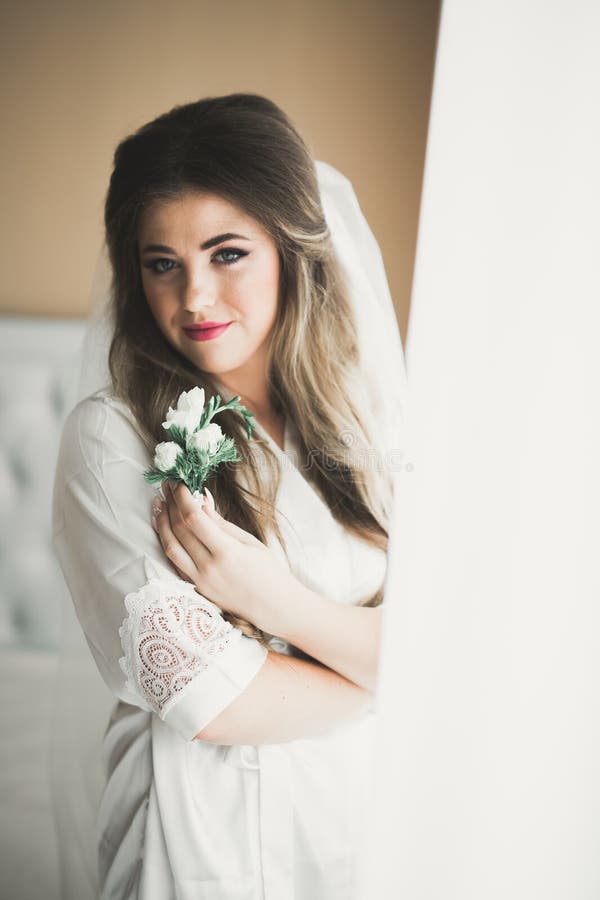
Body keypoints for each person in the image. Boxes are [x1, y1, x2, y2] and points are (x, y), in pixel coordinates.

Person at [52, 92, 407, 899]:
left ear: (289, 249)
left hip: (355, 830)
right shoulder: (111, 438)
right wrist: (393, 671)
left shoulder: (365, 420)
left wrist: (271, 601)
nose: (195, 299)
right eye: (162, 263)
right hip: (200, 846)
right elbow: (214, 701)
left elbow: (457, 639)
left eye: (228, 253)